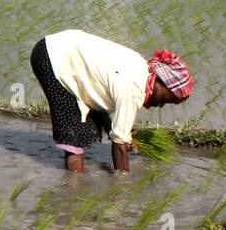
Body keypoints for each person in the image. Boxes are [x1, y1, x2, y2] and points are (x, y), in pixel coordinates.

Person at [30, 30, 193, 173]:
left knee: (88, 120)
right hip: (53, 57)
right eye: (163, 99)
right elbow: (119, 144)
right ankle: (73, 188)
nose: (159, 105)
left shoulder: (140, 69)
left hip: (59, 49)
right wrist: (123, 184)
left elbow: (101, 103)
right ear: (159, 80)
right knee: (74, 134)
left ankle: (74, 180)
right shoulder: (135, 88)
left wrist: (122, 137)